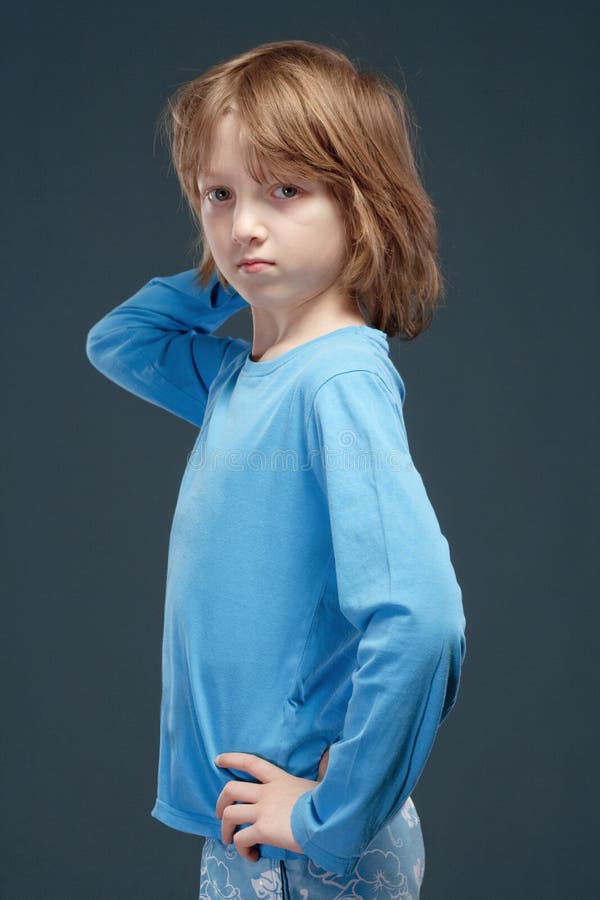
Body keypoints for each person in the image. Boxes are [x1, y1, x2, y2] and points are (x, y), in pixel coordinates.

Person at [86, 39, 467, 899]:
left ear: (362, 207)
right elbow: (118, 342)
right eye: (219, 194)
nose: (244, 223)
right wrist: (240, 271)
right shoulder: (239, 382)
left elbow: (422, 618)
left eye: (284, 190)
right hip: (253, 826)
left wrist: (330, 812)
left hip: (301, 844)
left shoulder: (336, 381)